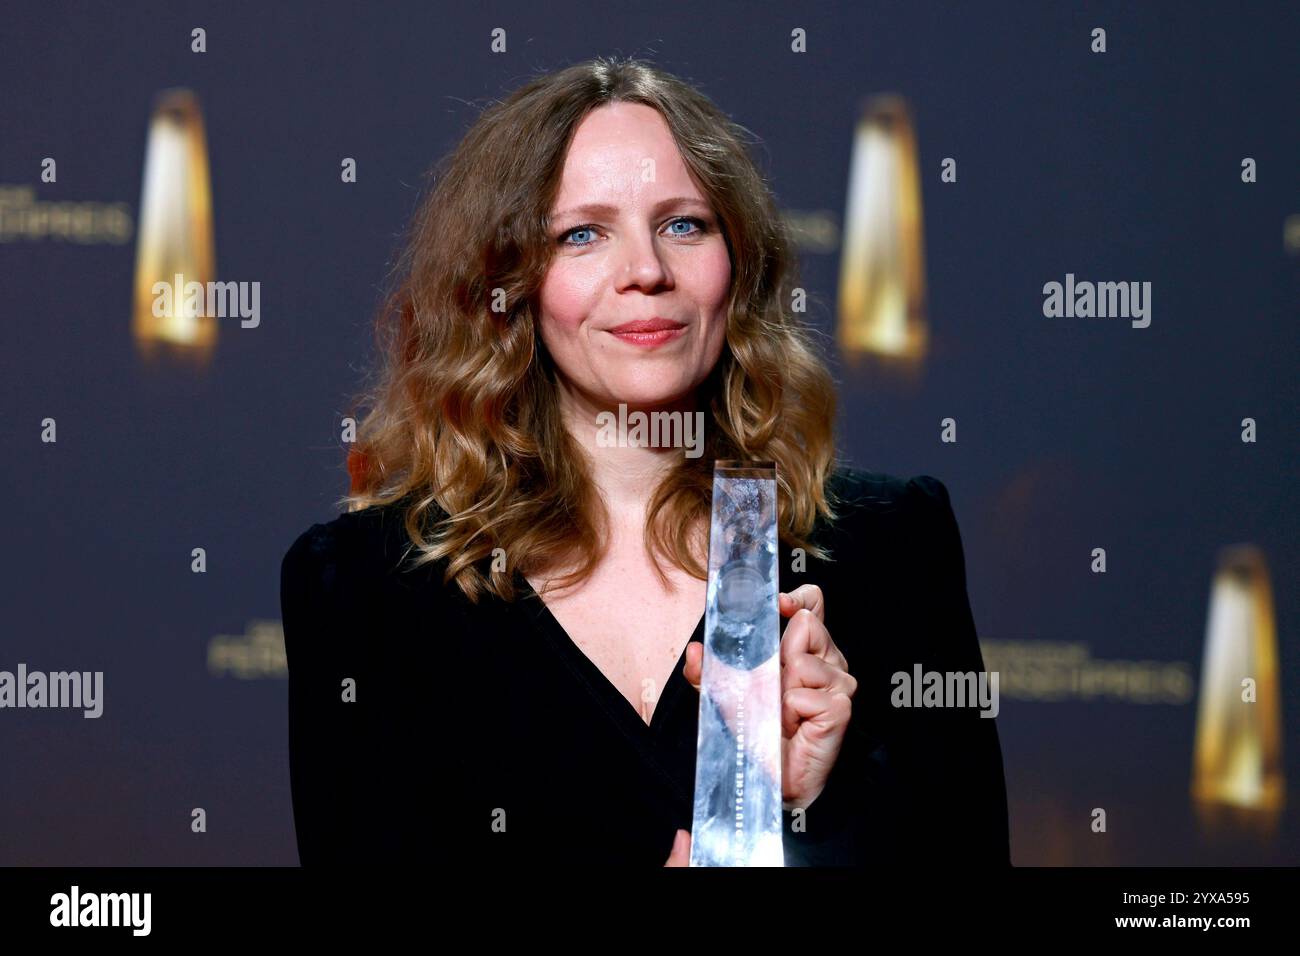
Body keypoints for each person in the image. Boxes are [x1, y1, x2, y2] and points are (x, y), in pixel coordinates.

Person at [280, 56, 1010, 867]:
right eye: (583, 234)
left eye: (684, 224)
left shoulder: (889, 543)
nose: (647, 271)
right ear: (508, 282)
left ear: (739, 261)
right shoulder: (365, 585)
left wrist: (806, 808)